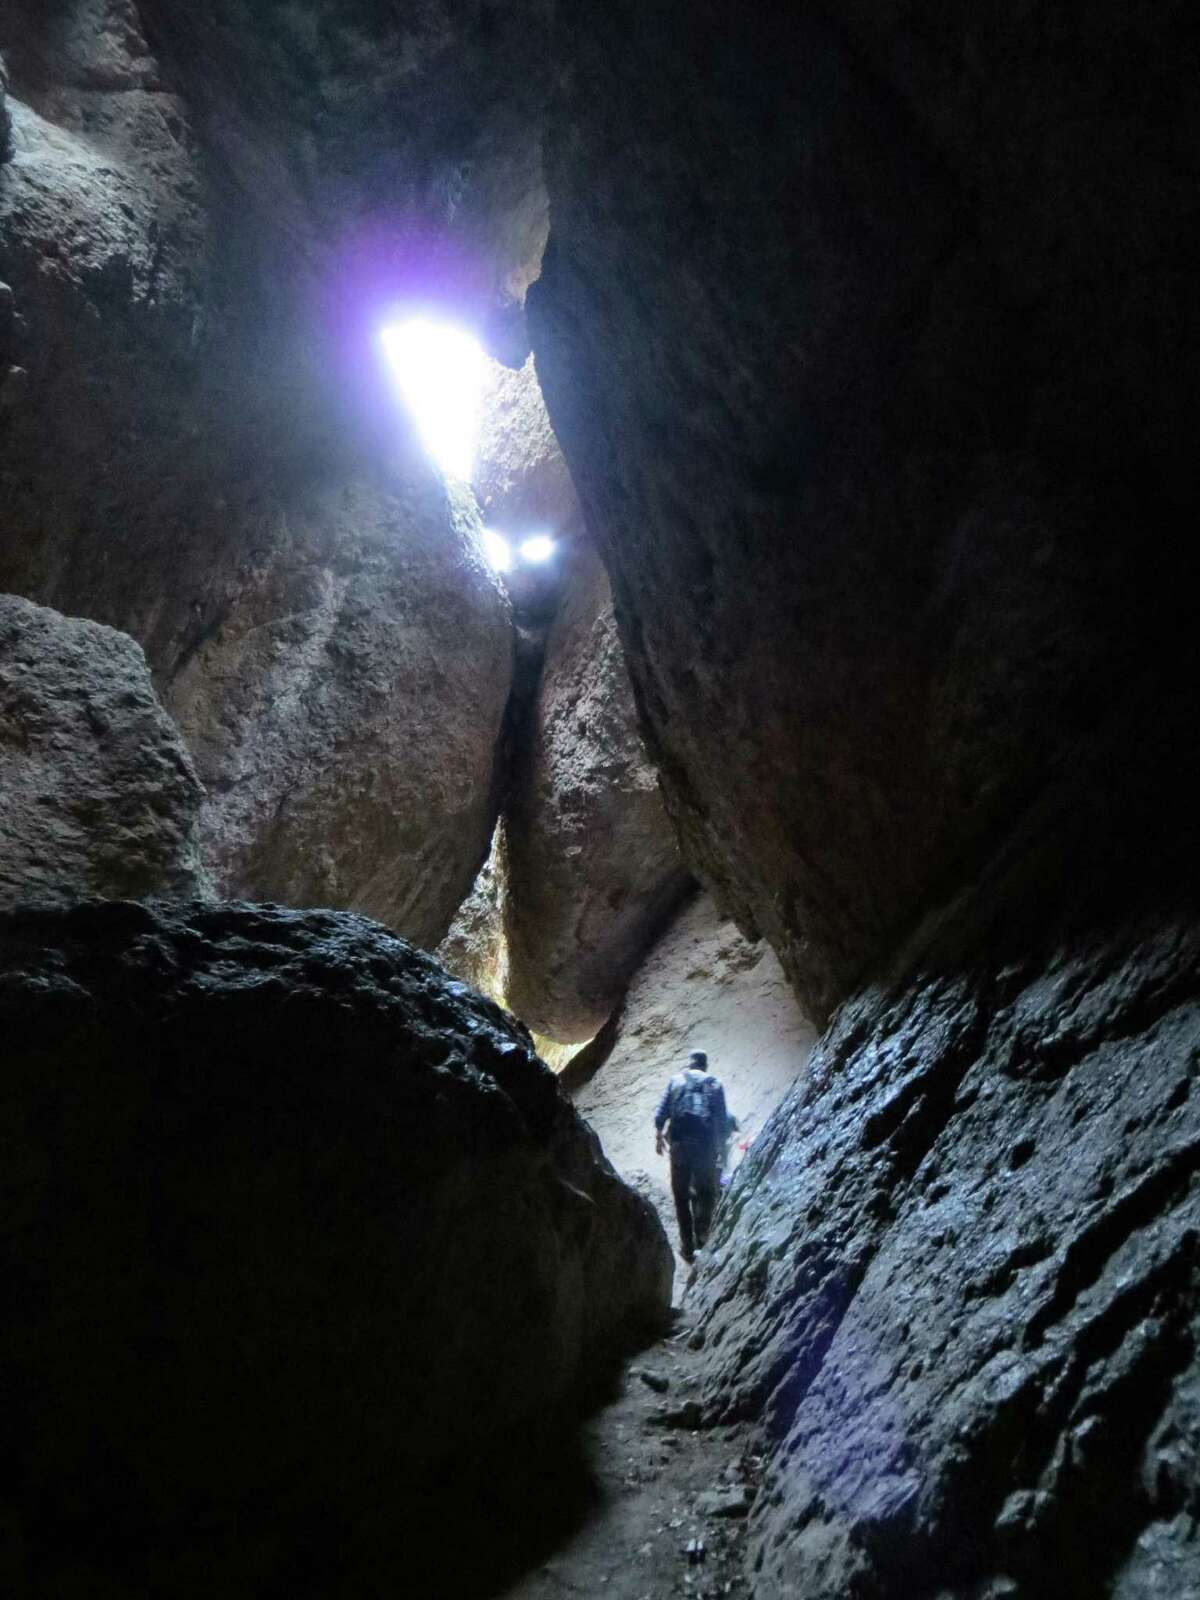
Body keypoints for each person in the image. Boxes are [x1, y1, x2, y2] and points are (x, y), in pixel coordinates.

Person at [654, 1050, 729, 1264]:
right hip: (705, 1148)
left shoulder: (675, 1081)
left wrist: (659, 1137)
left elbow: (660, 1114)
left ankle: (687, 1246)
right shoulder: (715, 1083)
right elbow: (722, 1122)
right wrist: (721, 1152)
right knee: (704, 1193)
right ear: (705, 1066)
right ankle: (703, 1239)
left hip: (679, 1147)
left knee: (680, 1196)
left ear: (689, 1065)